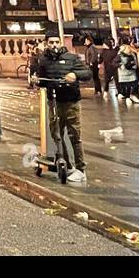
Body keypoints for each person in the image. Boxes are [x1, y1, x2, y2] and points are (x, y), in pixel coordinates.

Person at [35, 33, 87, 184]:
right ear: (46, 43)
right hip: (54, 101)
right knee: (56, 133)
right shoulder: (43, 60)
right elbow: (42, 80)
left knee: (74, 135)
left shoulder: (71, 58)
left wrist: (74, 75)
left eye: (57, 42)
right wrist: (37, 81)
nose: (54, 45)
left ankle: (80, 168)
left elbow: (86, 73)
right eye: (51, 42)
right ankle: (67, 163)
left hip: (71, 101)